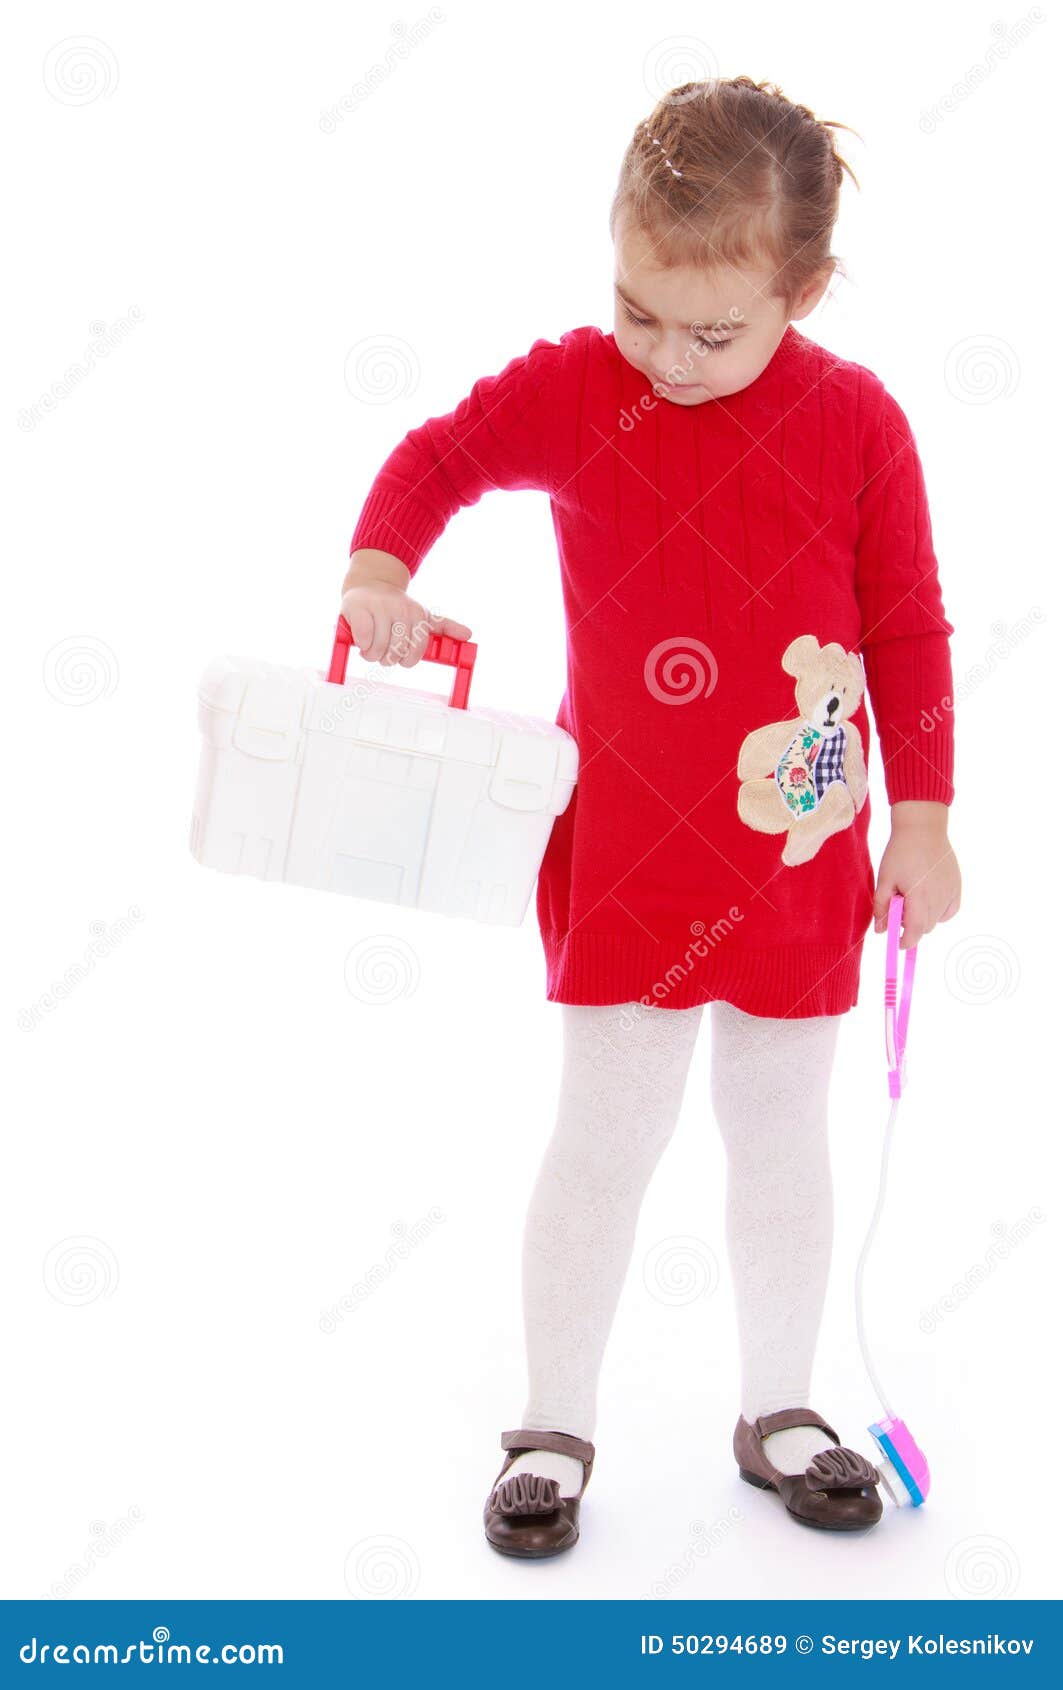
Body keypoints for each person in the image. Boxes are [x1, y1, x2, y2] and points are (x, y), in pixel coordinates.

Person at [339, 75, 962, 1556]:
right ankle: (552, 1421)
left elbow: (914, 627)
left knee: (780, 1138)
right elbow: (436, 458)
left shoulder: (860, 423)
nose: (668, 357)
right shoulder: (577, 389)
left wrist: (924, 818)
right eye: (639, 311)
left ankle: (779, 1404)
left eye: (714, 330)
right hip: (628, 858)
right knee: (603, 1144)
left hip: (804, 860)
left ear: (800, 291)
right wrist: (377, 564)